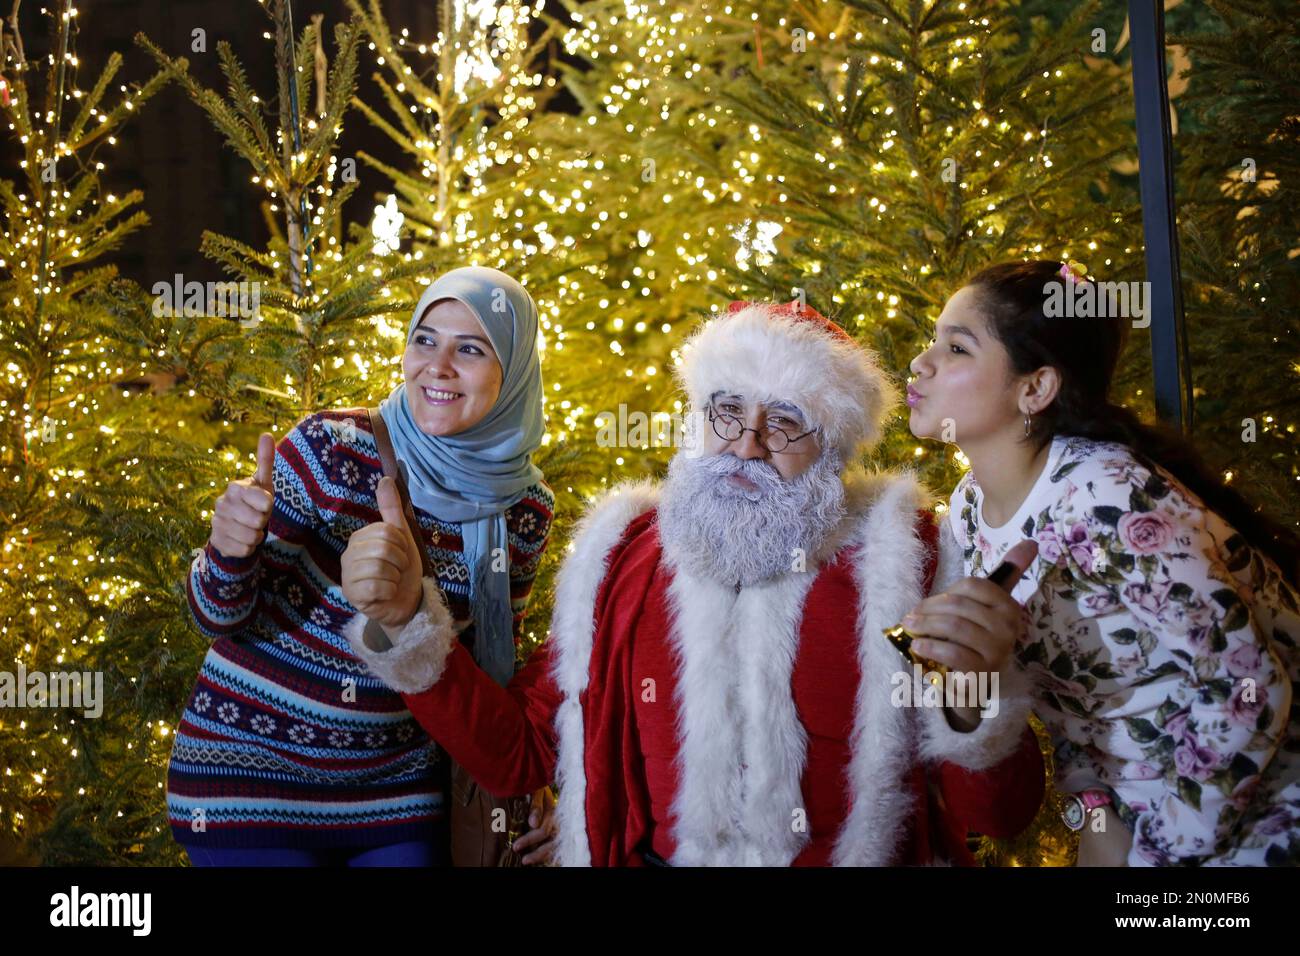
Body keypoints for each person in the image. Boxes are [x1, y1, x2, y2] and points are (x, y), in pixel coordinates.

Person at [344, 299, 1046, 866]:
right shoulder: (622, 560)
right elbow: (517, 752)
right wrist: (409, 622)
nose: (746, 443)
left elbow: (1000, 816)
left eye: (787, 423)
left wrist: (970, 696)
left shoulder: (903, 559)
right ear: (698, 419)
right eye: (728, 411)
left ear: (830, 448)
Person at [906, 258, 1300, 866]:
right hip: (1128, 817)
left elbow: (1248, 691)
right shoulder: (966, 512)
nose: (921, 363)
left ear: (1035, 387)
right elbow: (1074, 710)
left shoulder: (1108, 494)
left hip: (1253, 817)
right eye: (934, 340)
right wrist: (1095, 813)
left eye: (956, 347)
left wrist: (1150, 858)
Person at [167, 266, 558, 865]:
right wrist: (227, 551)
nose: (438, 365)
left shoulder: (525, 509)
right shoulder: (332, 447)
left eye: (471, 349)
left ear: (515, 371)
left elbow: (489, 668)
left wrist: (531, 783)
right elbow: (217, 617)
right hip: (249, 776)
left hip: (396, 795)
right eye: (424, 339)